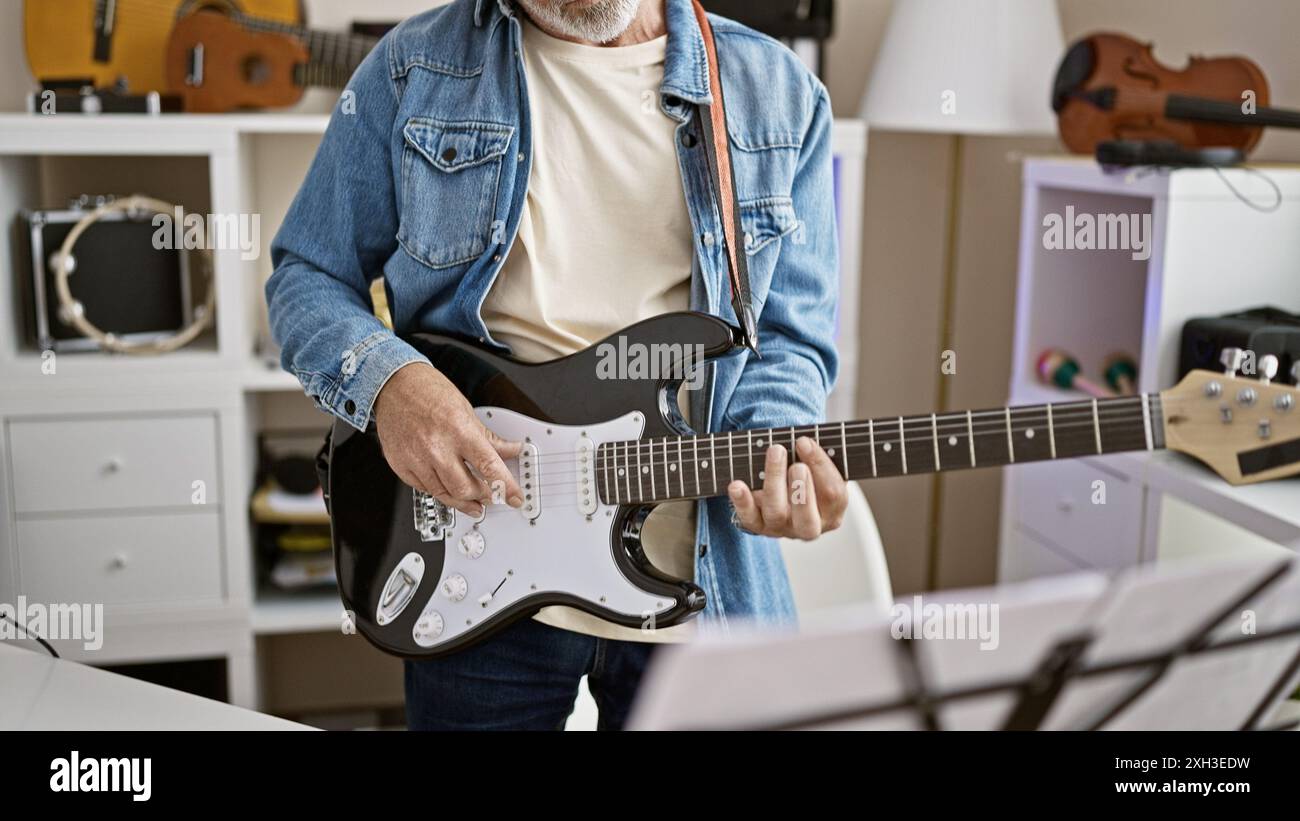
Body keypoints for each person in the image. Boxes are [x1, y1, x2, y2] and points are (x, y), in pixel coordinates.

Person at [266, 0, 844, 730]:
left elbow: (789, 338)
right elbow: (306, 274)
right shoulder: (413, 65)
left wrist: (777, 445)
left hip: (705, 587)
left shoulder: (778, 91)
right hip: (475, 574)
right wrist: (392, 385)